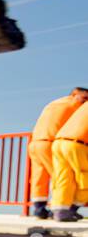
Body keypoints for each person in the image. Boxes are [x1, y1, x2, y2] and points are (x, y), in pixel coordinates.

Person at [30, 87, 88, 220]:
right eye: (84, 98)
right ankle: (66, 210)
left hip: (37, 142)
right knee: (68, 177)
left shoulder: (54, 103)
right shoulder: (76, 104)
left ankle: (40, 209)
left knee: (40, 177)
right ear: (75, 95)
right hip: (55, 142)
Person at [50, 94, 88, 222]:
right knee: (85, 177)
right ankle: (72, 209)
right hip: (78, 143)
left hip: (59, 141)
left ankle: (60, 212)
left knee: (63, 178)